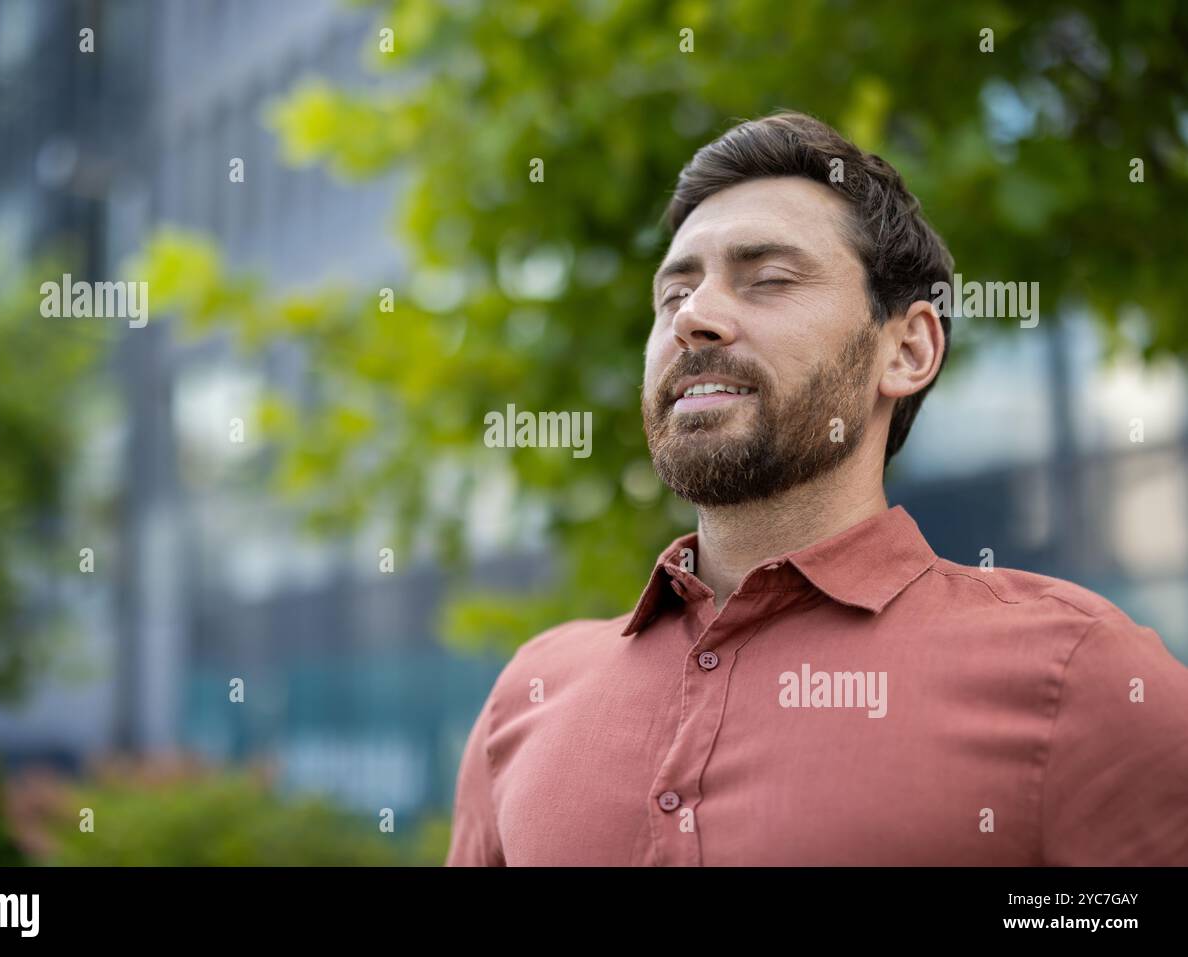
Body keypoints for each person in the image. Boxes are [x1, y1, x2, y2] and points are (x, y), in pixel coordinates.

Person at [445, 111, 1188, 866]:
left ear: (906, 349)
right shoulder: (531, 693)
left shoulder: (1077, 674)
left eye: (767, 280)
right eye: (672, 297)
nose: (693, 318)